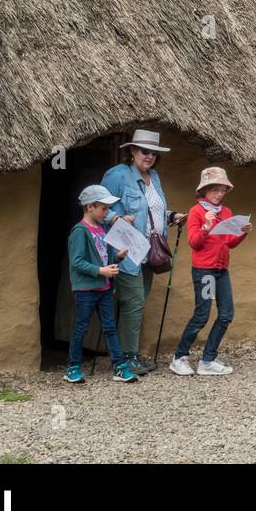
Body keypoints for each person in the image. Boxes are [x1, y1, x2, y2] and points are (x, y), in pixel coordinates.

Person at [100, 129, 186, 374]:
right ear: (132, 151)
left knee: (139, 301)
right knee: (134, 302)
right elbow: (99, 206)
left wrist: (171, 216)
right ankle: (127, 357)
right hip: (126, 248)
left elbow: (154, 211)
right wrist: (116, 217)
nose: (149, 157)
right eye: (144, 151)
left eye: (153, 153)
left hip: (150, 250)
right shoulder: (117, 175)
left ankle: (127, 354)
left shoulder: (154, 177)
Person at [169, 167, 252, 376]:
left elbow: (230, 243)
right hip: (205, 271)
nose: (219, 194)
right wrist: (205, 227)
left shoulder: (226, 212)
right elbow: (194, 243)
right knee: (202, 315)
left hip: (221, 271)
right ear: (204, 190)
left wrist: (243, 233)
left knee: (226, 314)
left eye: (222, 189)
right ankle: (179, 357)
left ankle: (208, 359)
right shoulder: (196, 211)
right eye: (215, 189)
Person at [67, 185, 138, 384]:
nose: (106, 213)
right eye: (104, 208)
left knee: (109, 327)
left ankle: (119, 367)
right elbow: (77, 261)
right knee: (81, 327)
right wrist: (101, 271)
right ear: (90, 207)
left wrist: (118, 257)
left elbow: (104, 255)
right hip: (86, 290)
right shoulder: (80, 231)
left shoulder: (100, 229)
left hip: (104, 288)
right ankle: (73, 367)